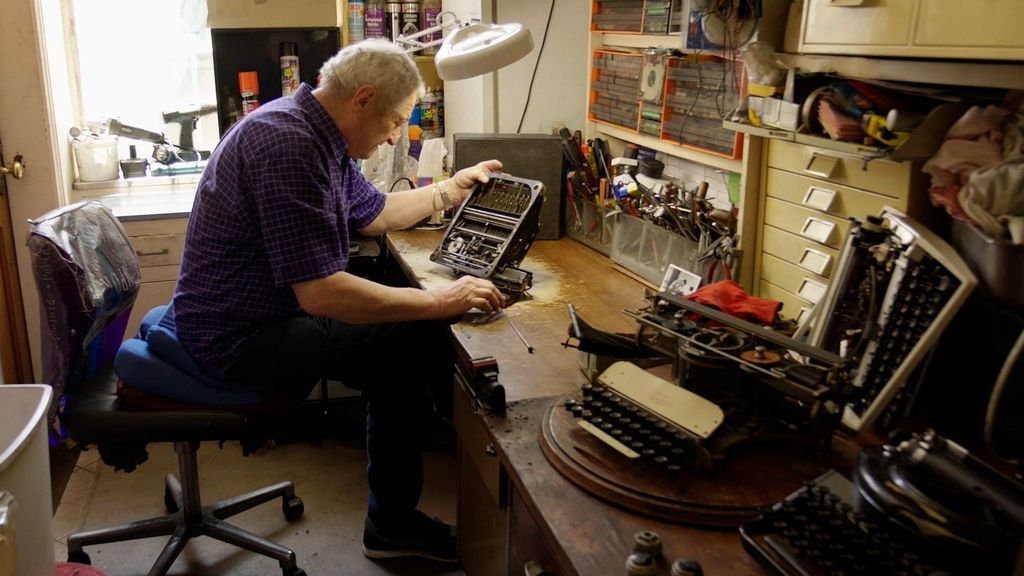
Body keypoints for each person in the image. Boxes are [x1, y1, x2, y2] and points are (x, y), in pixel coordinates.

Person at [172, 39, 506, 564]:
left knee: (407, 339)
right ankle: (409, 513)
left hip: (261, 314)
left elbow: (375, 214)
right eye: (395, 120)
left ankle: (456, 454)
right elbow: (322, 292)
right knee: (403, 345)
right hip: (237, 336)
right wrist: (438, 301)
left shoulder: (319, 135)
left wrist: (450, 190)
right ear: (364, 99)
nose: (397, 133)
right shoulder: (286, 144)